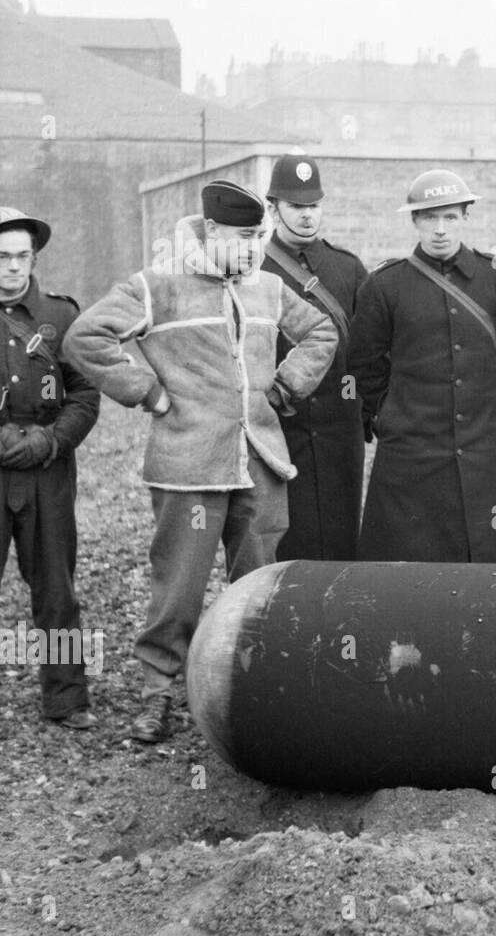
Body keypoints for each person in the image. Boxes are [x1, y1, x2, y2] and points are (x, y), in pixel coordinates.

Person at [64, 181, 338, 742]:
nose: (252, 248)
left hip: (259, 462)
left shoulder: (266, 287)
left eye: (258, 237)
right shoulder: (156, 284)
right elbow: (86, 337)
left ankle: (256, 692)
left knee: (260, 588)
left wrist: (284, 392)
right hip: (187, 465)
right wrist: (148, 392)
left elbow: (321, 331)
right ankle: (159, 696)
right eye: (241, 237)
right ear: (211, 231)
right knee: (178, 590)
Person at [349, 169, 496, 564]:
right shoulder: (385, 285)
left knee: (492, 561)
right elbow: (363, 366)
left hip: (485, 447)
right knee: (412, 568)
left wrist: (492, 405)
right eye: (429, 217)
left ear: (465, 217)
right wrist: (390, 414)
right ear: (414, 220)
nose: (440, 229)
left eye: (450, 217)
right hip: (411, 453)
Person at [0, 207, 101, 728]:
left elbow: (85, 395)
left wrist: (51, 441)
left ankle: (67, 698)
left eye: (21, 257)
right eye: (2, 257)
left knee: (56, 589)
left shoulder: (60, 318)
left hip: (47, 474)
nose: (12, 268)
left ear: (33, 259)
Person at [261, 154, 368, 561]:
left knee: (342, 542)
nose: (307, 216)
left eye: (313, 206)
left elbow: (368, 349)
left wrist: (364, 407)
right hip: (279, 427)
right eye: (296, 206)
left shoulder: (347, 268)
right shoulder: (255, 269)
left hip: (341, 428)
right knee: (288, 542)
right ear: (273, 209)